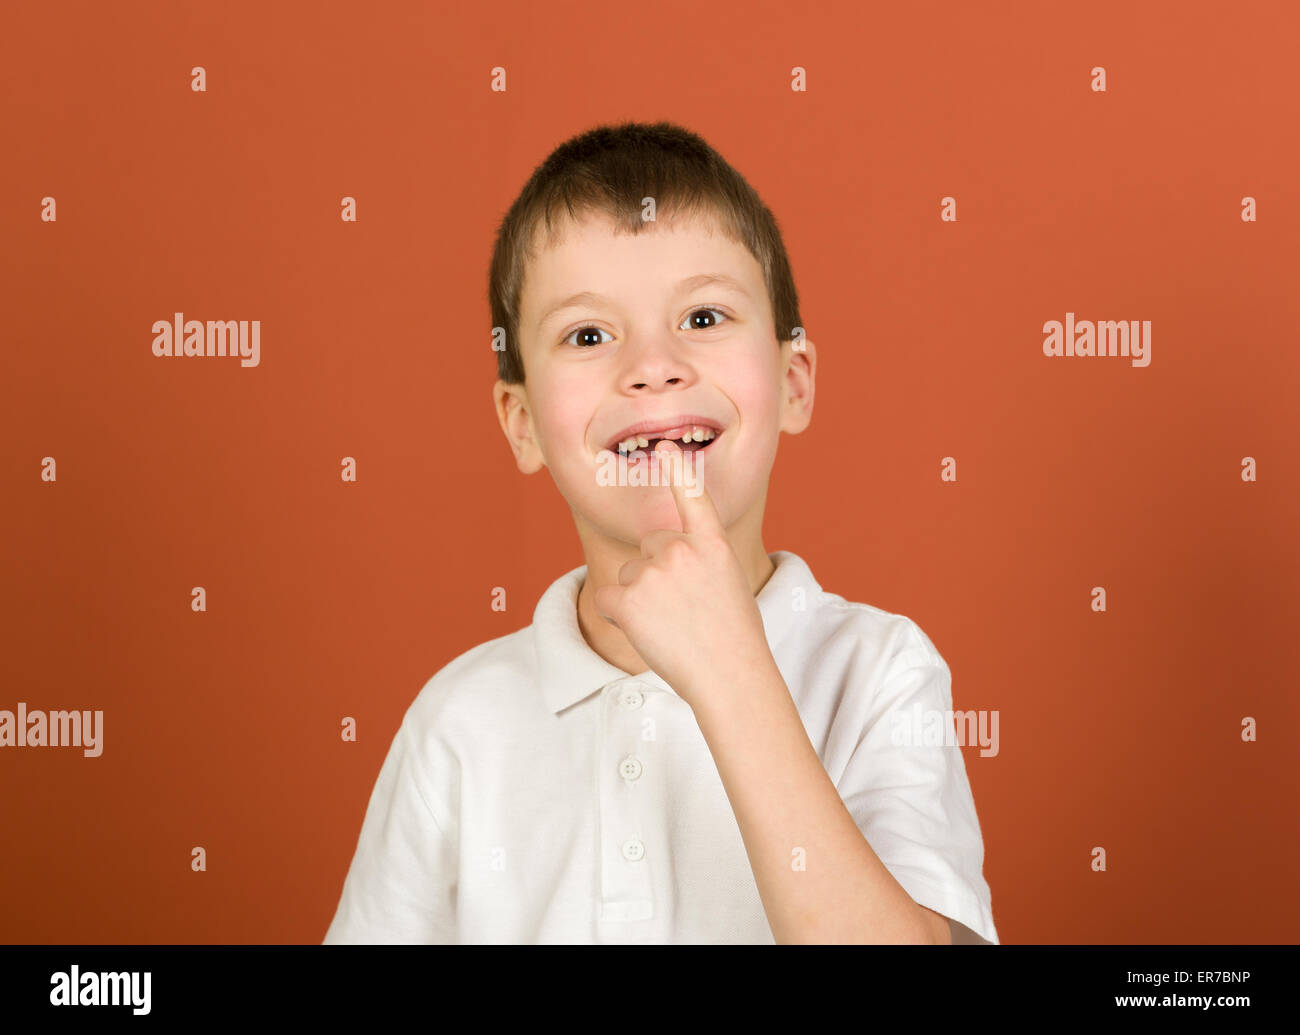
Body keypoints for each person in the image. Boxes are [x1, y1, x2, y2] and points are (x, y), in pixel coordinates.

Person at [323, 121, 998, 945]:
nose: (652, 365)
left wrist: (731, 670)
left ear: (792, 383)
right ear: (523, 422)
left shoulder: (881, 673)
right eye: (588, 335)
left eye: (705, 316)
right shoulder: (458, 725)